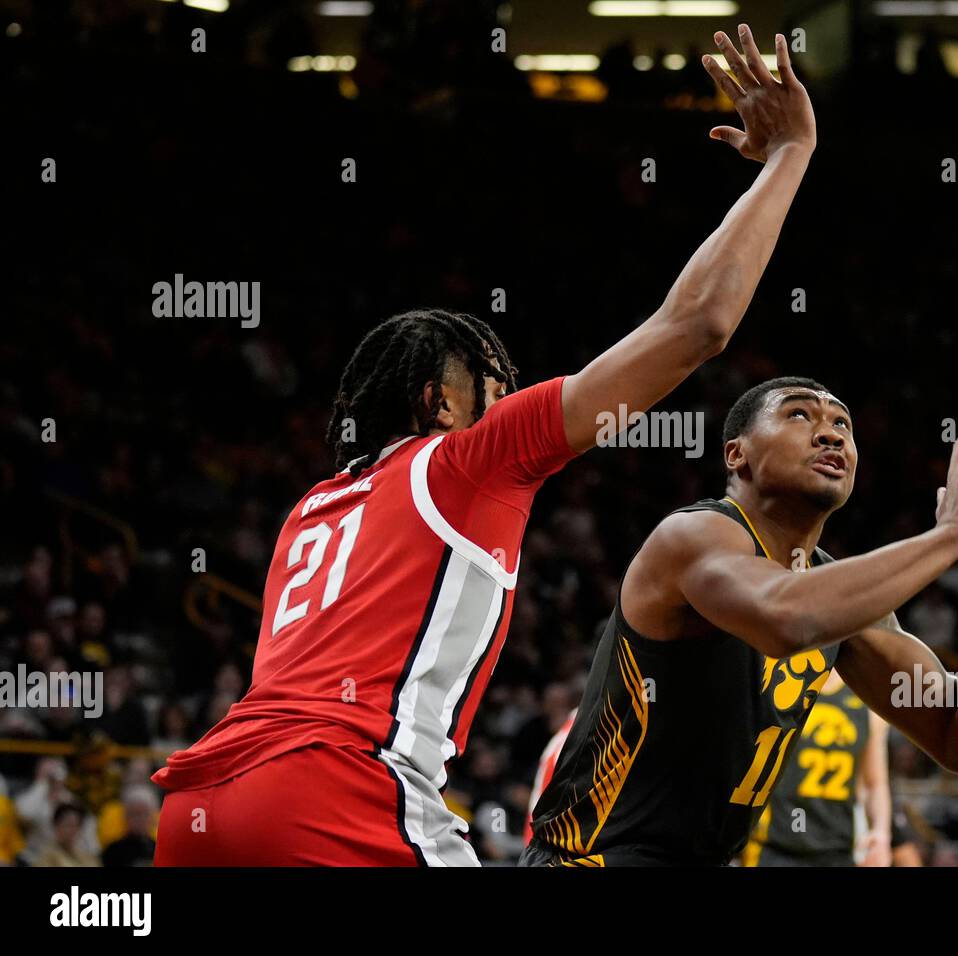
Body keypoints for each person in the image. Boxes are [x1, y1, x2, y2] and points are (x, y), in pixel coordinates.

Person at [152, 25, 818, 867]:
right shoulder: (470, 457)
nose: (507, 394)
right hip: (330, 791)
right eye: (491, 381)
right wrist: (791, 153)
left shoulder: (313, 508)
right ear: (439, 401)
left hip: (201, 807)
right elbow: (696, 327)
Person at [524, 380, 958, 866]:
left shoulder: (838, 597)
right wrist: (953, 535)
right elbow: (785, 618)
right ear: (736, 455)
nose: (831, 433)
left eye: (843, 424)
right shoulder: (694, 536)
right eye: (800, 414)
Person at [740, 674, 891, 866]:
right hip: (773, 845)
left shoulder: (867, 701)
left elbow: (874, 783)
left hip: (837, 848)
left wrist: (881, 831)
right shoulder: (778, 681)